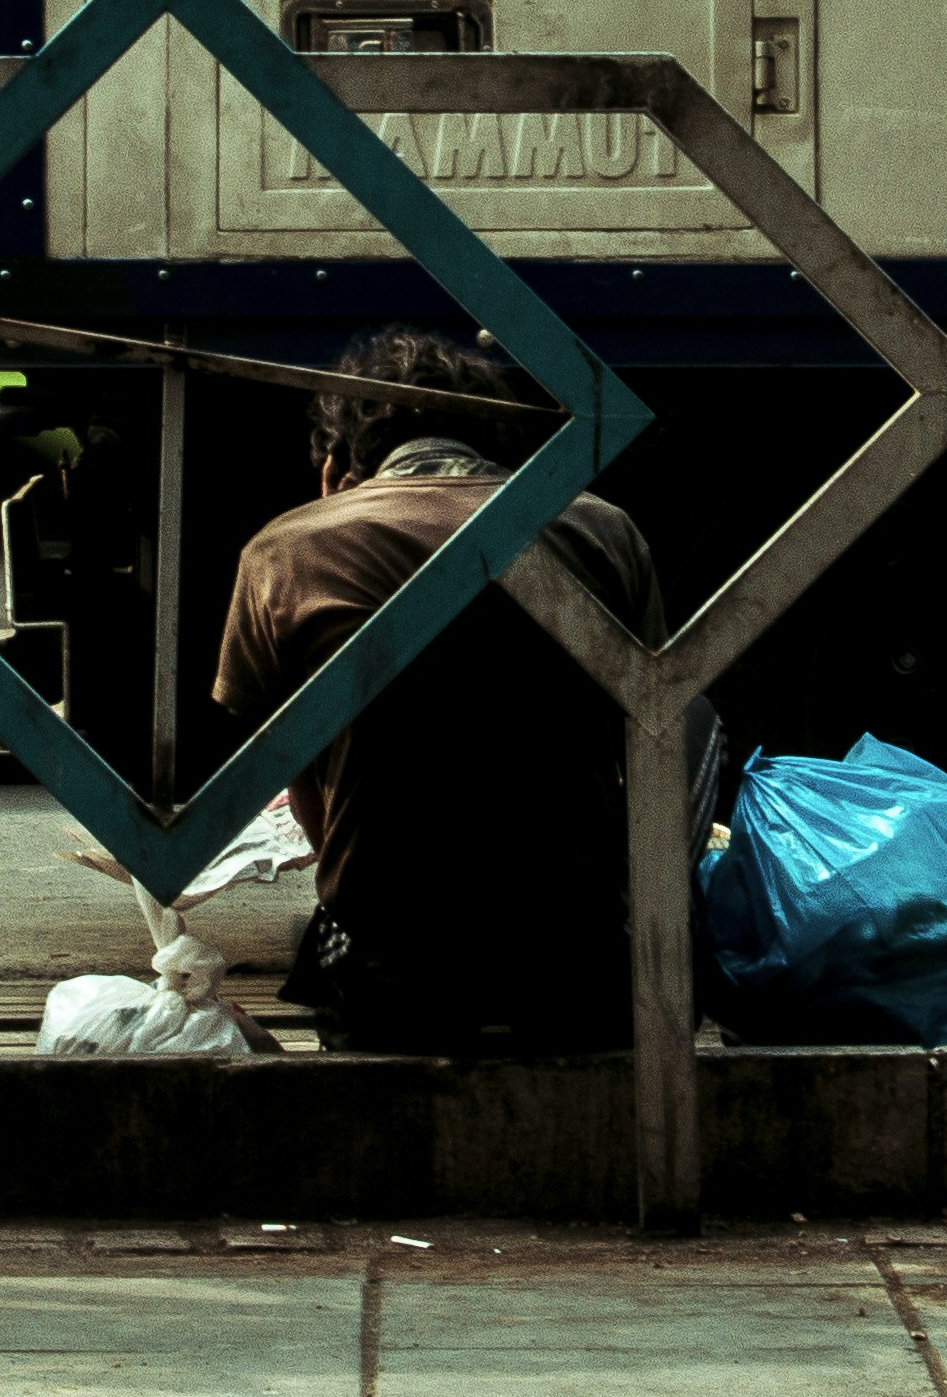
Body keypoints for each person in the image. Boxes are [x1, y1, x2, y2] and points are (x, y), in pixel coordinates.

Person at [210, 329, 666, 1051]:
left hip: (394, 966)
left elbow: (304, 785)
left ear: (338, 462)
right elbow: (640, 738)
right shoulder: (604, 530)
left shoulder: (285, 549)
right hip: (579, 958)